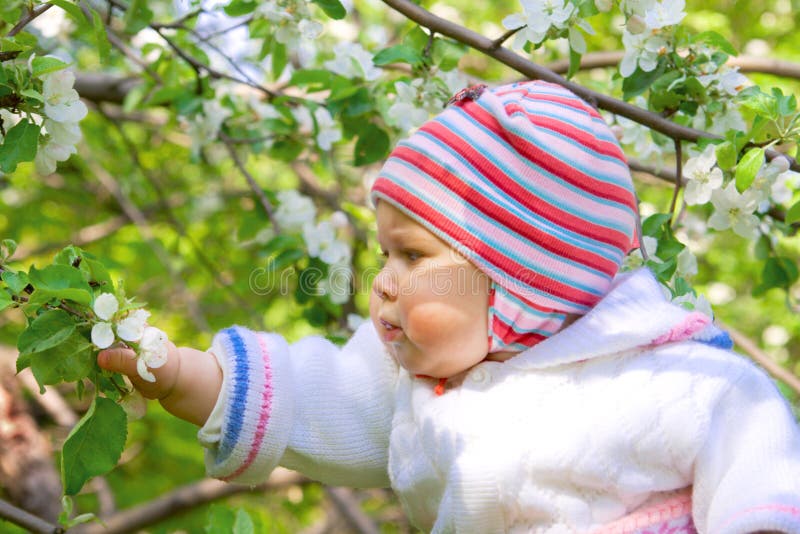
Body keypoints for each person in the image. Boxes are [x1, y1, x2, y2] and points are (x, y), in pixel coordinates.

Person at [98, 80, 800, 533]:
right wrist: (185, 375)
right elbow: (320, 399)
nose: (383, 282)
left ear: (524, 278)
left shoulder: (676, 384)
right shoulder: (416, 384)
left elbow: (760, 469)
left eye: (412, 256)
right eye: (382, 256)